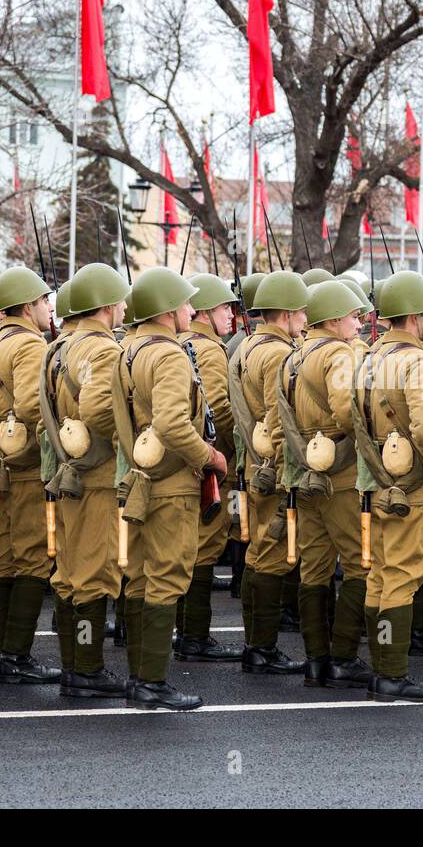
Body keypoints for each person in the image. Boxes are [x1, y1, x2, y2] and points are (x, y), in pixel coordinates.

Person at [116, 268, 226, 710]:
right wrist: (208, 457)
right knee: (166, 577)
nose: (189, 311)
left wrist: (137, 447)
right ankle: (152, 682)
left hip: (141, 478)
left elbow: (108, 416)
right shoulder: (169, 356)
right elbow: (173, 422)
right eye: (184, 304)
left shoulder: (126, 351)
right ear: (166, 310)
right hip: (173, 483)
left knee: (141, 577)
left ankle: (140, 678)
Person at [353, 271, 423, 702]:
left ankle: (382, 668)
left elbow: (355, 421)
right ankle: (392, 674)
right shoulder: (417, 360)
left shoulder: (368, 358)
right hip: (413, 485)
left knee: (380, 575)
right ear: (415, 316)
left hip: (380, 481)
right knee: (401, 576)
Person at [278, 281, 375, 686]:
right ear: (333, 319)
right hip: (341, 472)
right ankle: (343, 657)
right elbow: (345, 411)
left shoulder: (294, 356)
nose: (358, 322)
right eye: (353, 316)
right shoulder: (337, 354)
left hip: (303, 471)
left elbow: (275, 417)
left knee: (313, 567)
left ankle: (316, 660)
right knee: (359, 563)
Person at [0, 269, 68, 685]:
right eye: (44, 301)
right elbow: (34, 408)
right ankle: (16, 654)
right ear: (28, 306)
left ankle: (1, 653)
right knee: (32, 556)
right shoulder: (30, 344)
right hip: (28, 465)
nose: (49, 308)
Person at [41, 264, 129, 689]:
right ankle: (88, 669)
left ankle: (75, 665)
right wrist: (129, 430)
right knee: (94, 574)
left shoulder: (59, 347)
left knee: (70, 571)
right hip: (97, 474)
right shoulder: (103, 349)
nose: (126, 307)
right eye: (121, 301)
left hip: (68, 470)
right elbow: (98, 408)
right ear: (108, 305)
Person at [229, 270, 308, 674]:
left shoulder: (246, 346)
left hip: (254, 463)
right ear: (288, 313)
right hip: (275, 467)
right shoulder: (279, 353)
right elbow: (281, 419)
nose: (306, 319)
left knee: (259, 550)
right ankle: (261, 647)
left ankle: (254, 644)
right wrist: (285, 467)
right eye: (302, 312)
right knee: (272, 554)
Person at [174, 273, 244, 663]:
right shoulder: (211, 350)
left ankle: (187, 632)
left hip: (188, 460)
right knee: (206, 547)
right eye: (223, 308)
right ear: (203, 311)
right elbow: (218, 412)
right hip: (211, 462)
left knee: (190, 547)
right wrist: (228, 455)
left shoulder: (181, 341)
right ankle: (195, 636)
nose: (231, 316)